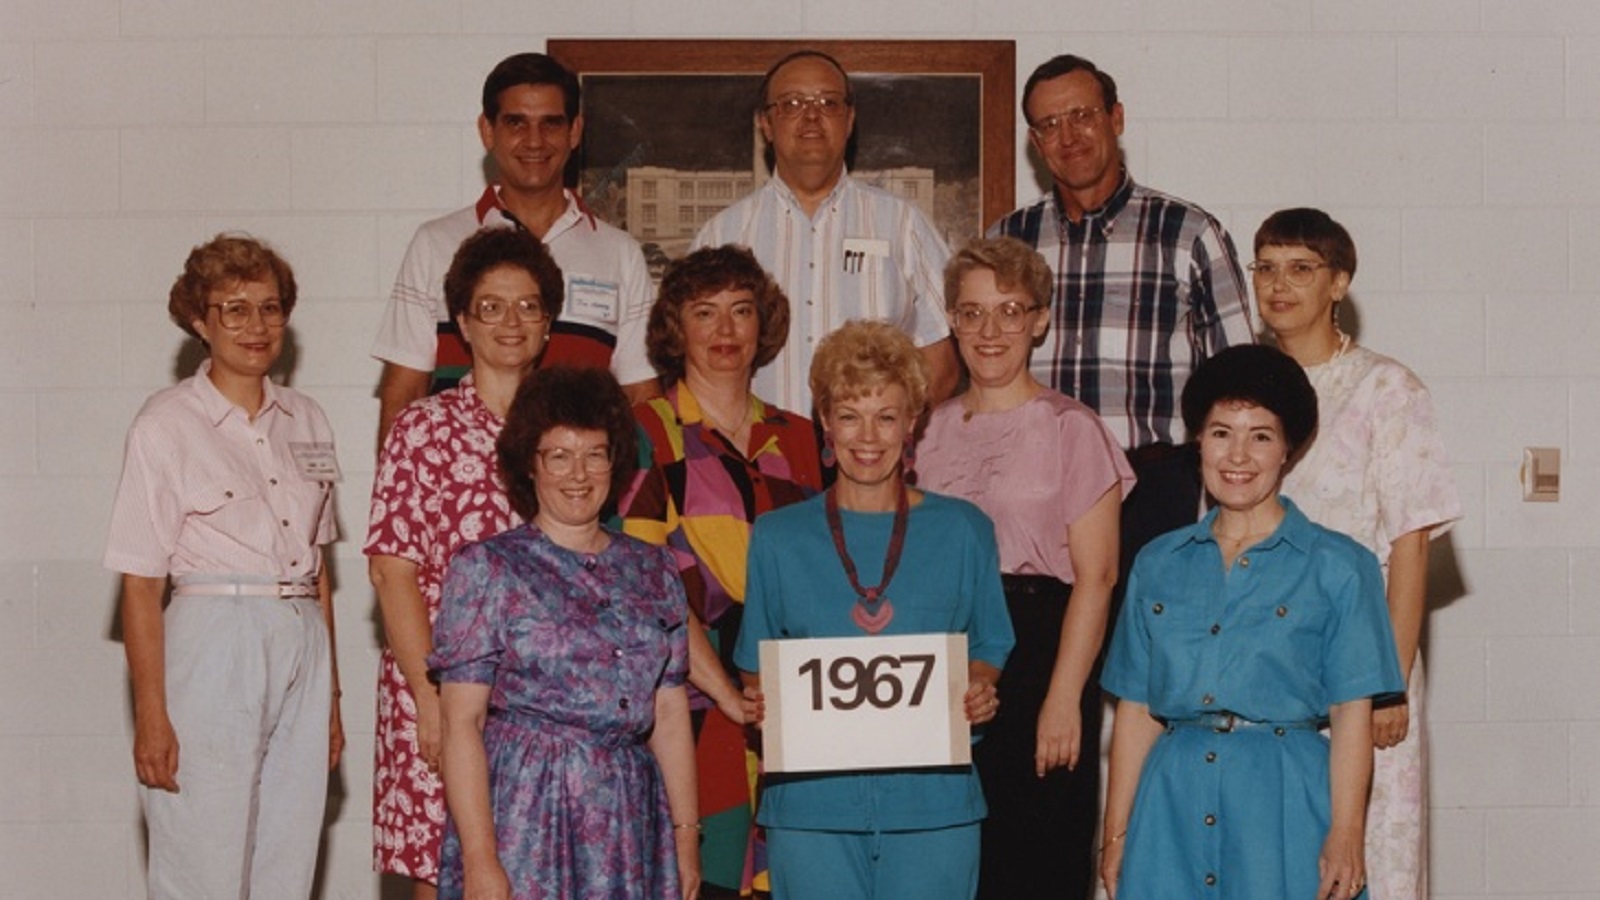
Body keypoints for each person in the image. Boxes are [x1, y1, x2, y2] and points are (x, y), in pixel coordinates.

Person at [1099, 344, 1403, 899]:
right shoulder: (1156, 563)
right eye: (1221, 433)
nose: (1237, 455)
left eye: (1260, 436)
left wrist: (1346, 833)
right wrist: (1116, 834)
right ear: (1198, 440)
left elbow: (1351, 713)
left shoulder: (1340, 566)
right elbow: (1136, 710)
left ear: (1288, 450)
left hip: (1286, 804)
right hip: (1171, 805)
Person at [732, 320, 1015, 900]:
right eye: (849, 415)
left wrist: (979, 688)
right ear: (825, 421)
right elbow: (755, 662)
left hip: (934, 806)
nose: (868, 436)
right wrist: (760, 700)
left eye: (886, 416)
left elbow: (990, 644)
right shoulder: (777, 537)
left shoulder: (965, 530)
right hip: (811, 809)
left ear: (912, 422)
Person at [105, 233, 343, 898]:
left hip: (301, 635)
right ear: (199, 321)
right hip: (214, 638)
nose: (255, 326)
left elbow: (319, 568)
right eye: (234, 310)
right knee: (202, 856)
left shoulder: (308, 419)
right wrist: (152, 714)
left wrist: (330, 699)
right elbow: (140, 585)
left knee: (287, 857)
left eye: (269, 308)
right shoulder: (165, 424)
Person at [1252, 208, 1462, 900]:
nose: (1279, 285)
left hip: (1360, 657)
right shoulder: (1246, 389)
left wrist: (1388, 684)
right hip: (1265, 659)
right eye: (1266, 268)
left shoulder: (1388, 389)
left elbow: (1409, 547)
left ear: (1339, 282)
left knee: (1370, 853)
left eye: (1300, 269)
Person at [429, 366, 700, 900]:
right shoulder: (488, 568)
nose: (578, 474)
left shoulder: (655, 568)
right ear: (530, 464)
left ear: (615, 461)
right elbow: (462, 722)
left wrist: (686, 838)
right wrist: (481, 859)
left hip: (630, 813)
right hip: (525, 816)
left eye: (595, 454)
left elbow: (669, 713)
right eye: (559, 455)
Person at [917, 237, 1134, 900]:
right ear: (952, 321)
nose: (990, 330)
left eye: (1010, 311)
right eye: (973, 312)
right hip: (948, 655)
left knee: (1038, 856)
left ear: (1039, 320)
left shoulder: (1073, 428)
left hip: (1041, 650)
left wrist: (1063, 698)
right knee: (954, 861)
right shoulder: (924, 431)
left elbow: (1097, 578)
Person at [989, 54, 1255, 568]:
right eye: (1050, 124)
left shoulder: (1188, 233)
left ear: (1116, 118)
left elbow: (1239, 383)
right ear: (1035, 143)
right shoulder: (1006, 241)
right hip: (1033, 489)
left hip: (1154, 493)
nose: (1069, 136)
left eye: (1082, 115)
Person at [365, 227, 563, 898]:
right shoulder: (421, 428)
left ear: (548, 322)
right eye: (491, 307)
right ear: (462, 323)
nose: (511, 322)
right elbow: (391, 570)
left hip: (545, 695)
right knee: (443, 870)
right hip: (438, 688)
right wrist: (430, 699)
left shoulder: (569, 430)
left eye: (529, 306)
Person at [620, 245, 823, 897]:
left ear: (764, 324)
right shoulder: (643, 434)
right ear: (675, 329)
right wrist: (730, 696)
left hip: (794, 706)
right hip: (690, 705)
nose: (726, 329)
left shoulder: (803, 438)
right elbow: (646, 588)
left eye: (741, 310)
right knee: (701, 877)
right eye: (704, 313)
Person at [372, 51, 658, 444]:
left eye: (551, 123)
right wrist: (394, 482)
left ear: (575, 131)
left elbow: (641, 398)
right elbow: (404, 393)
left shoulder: (619, 253)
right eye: (516, 123)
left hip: (577, 479)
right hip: (457, 479)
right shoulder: (435, 243)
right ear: (487, 131)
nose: (534, 141)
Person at [692, 49, 958, 414]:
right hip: (754, 448)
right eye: (792, 104)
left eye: (828, 103)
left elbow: (943, 362)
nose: (811, 116)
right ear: (765, 123)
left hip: (873, 450)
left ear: (849, 120)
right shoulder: (720, 235)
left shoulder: (903, 224)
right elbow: (693, 365)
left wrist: (885, 431)